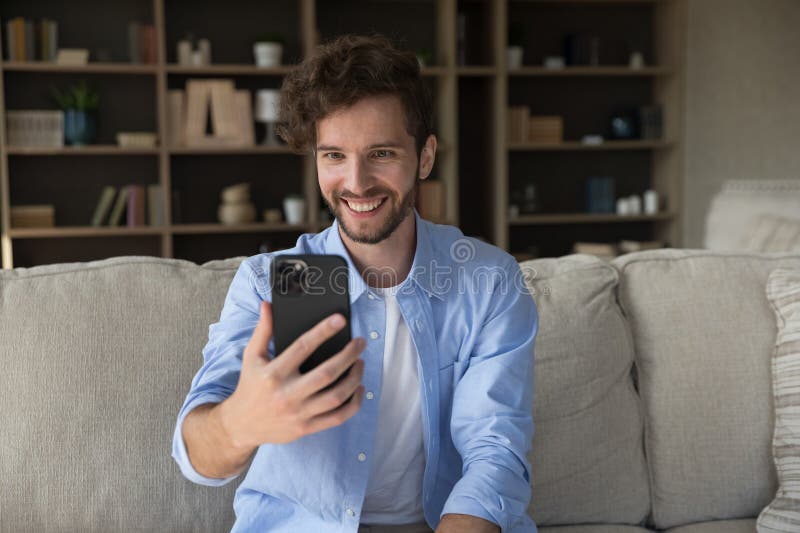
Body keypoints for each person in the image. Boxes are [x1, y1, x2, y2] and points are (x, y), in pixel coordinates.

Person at [172, 34, 538, 533]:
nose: (357, 182)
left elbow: (493, 451)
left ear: (425, 157)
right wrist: (242, 422)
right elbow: (197, 454)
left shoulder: (486, 282)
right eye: (334, 156)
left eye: (381, 153)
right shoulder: (281, 281)